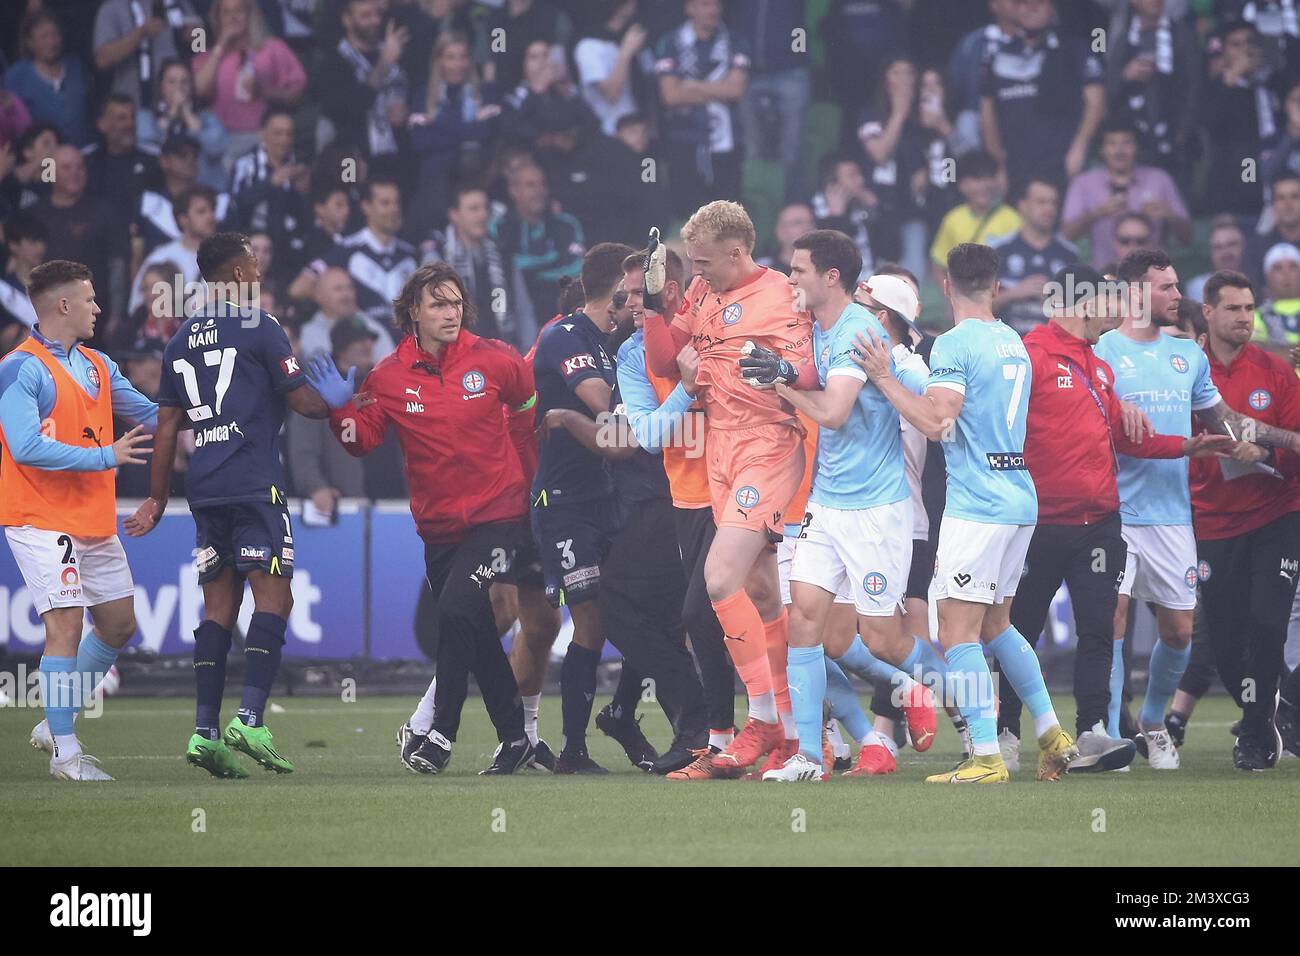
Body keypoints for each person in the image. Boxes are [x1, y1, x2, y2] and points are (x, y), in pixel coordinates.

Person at [853, 242, 1079, 784]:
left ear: (947, 287)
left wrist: (884, 377)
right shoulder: (1014, 341)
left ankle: (985, 756)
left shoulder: (954, 343)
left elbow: (937, 420)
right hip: (1019, 495)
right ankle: (1051, 732)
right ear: (997, 287)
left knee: (957, 637)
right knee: (998, 625)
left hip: (977, 505)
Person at [1000, 263, 1231, 775]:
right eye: (1110, 300)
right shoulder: (1030, 355)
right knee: (1022, 628)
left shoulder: (1098, 366)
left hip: (1101, 520)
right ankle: (1007, 730)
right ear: (1084, 303)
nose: (1120, 309)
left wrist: (1184, 445)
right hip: (1040, 521)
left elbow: (1126, 439)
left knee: (1099, 630)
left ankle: (1092, 732)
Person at [124, 232, 333, 778]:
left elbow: (166, 425)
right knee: (275, 598)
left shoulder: (179, 340)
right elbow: (303, 400)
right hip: (254, 482)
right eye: (254, 262)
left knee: (217, 608)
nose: (259, 269)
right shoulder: (261, 327)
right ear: (238, 274)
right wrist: (338, 400)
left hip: (207, 489)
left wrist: (155, 498)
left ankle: (205, 731)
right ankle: (250, 717)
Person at [318, 261, 539, 774]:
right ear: (413, 312)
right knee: (476, 624)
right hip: (439, 528)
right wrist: (339, 411)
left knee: (460, 607)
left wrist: (531, 492)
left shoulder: (499, 361)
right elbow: (362, 442)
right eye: (438, 303)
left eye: (456, 302)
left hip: (501, 516)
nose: (450, 312)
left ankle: (440, 732)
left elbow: (527, 417)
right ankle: (514, 739)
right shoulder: (388, 377)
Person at [1095, 249, 1300, 767]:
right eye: (1165, 287)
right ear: (1135, 292)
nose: (1176, 296)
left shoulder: (1186, 357)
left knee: (1182, 633)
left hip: (1175, 513)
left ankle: (1156, 719)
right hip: (1114, 510)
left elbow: (1227, 419)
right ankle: (1112, 730)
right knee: (1112, 619)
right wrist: (1117, 406)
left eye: (1177, 285)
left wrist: (1287, 440)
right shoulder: (1099, 352)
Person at [642, 200, 818, 777]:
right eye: (693, 264)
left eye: (706, 263)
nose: (698, 274)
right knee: (764, 596)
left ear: (738, 252)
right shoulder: (700, 291)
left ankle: (762, 718)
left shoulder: (782, 297)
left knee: (720, 581)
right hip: (720, 446)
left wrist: (781, 370)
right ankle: (794, 736)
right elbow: (667, 360)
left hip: (766, 445)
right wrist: (652, 308)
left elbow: (809, 373)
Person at [763, 233, 942, 782]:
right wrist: (784, 373)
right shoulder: (819, 329)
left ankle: (957, 694)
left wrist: (782, 388)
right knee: (813, 629)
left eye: (799, 271)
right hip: (827, 504)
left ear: (832, 276)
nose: (791, 279)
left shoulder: (859, 331)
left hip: (877, 509)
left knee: (882, 637)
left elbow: (836, 413)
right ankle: (809, 759)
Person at [1, 260, 157, 780]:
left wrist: (218, 416)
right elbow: (24, 447)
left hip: (91, 515)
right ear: (62, 305)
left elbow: (151, 413)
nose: (98, 308)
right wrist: (105, 457)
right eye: (90, 300)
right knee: (65, 625)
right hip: (39, 516)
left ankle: (53, 721)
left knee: (117, 624)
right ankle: (66, 754)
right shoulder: (18, 368)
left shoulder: (97, 364)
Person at [528, 242, 638, 773]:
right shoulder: (564, 336)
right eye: (633, 289)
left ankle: (621, 714)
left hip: (609, 496)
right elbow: (606, 404)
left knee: (645, 611)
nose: (639, 300)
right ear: (616, 286)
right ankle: (572, 749)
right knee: (590, 621)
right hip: (565, 502)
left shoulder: (618, 340)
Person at [1190, 270, 1300, 769]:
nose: (1245, 318)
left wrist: (1267, 451)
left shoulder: (1276, 371)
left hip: (1277, 511)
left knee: (1267, 621)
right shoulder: (1187, 367)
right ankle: (1264, 707)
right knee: (1228, 640)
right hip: (1212, 519)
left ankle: (1256, 734)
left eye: (1250, 308)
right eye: (1233, 308)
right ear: (1208, 312)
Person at [979, 0, 1105, 188]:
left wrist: (1079, 148)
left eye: (1040, 2)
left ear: (1052, 8)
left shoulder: (1074, 48)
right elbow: (987, 116)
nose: (1031, 7)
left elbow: (1097, 103)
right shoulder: (995, 55)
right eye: (1023, 3)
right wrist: (998, 164)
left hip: (1063, 165)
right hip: (1016, 169)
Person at [653, 0, 750, 218]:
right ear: (690, 8)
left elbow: (735, 90)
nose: (713, 10)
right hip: (683, 140)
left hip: (726, 144)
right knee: (688, 217)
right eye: (706, 4)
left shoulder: (736, 41)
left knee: (727, 218)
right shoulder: (670, 42)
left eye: (717, 5)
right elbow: (671, 95)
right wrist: (718, 90)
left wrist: (692, 85)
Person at [1061, 118, 1191, 270]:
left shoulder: (1159, 179)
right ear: (1102, 149)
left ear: (1137, 147)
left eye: (1126, 143)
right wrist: (1096, 214)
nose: (1119, 150)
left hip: (1152, 277)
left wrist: (1170, 215)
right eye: (1112, 143)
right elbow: (1066, 235)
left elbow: (1187, 239)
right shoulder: (1084, 183)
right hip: (1106, 278)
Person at [191, 0, 307, 167]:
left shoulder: (272, 48)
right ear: (218, 18)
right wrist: (222, 45)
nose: (233, 18)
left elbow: (298, 94)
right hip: (220, 140)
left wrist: (265, 92)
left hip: (261, 137)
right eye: (227, 12)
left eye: (239, 11)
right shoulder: (207, 55)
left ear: (250, 14)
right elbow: (199, 91)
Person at [321, 178, 418, 336]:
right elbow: (303, 287)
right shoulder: (345, 250)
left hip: (407, 346)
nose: (394, 209)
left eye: (396, 203)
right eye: (385, 203)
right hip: (363, 343)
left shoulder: (411, 254)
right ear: (366, 207)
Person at [423, 184, 517, 346]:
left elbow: (523, 310)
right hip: (454, 354)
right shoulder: (437, 259)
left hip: (502, 350)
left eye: (485, 208)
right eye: (474, 209)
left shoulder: (502, 255)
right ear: (454, 215)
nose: (482, 215)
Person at [316, 0, 411, 160]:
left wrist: (406, 111)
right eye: (366, 16)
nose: (375, 20)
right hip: (350, 156)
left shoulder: (393, 50)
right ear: (347, 20)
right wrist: (384, 64)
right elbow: (346, 110)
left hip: (395, 153)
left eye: (377, 14)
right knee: (346, 182)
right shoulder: (333, 61)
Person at [990, 177, 1079, 335]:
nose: (1049, 209)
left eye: (1053, 203)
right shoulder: (998, 250)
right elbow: (980, 306)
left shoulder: (1070, 255)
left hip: (1054, 347)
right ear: (1022, 205)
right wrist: (1015, 292)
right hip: (1006, 343)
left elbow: (1082, 315)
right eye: (1041, 202)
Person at [929, 150, 1020, 289]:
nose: (985, 185)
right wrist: (950, 299)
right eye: (977, 179)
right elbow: (938, 265)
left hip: (1002, 301)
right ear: (962, 185)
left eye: (989, 178)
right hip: (964, 302)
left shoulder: (1012, 218)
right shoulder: (953, 219)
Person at [4, 11, 93, 147]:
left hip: (82, 155)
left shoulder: (76, 67)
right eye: (44, 37)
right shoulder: (17, 76)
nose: (51, 42)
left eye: (55, 35)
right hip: (45, 161)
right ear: (30, 42)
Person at [137, 58, 228, 191]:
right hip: (161, 189)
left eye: (184, 82)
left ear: (191, 87)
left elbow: (217, 148)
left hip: (205, 190)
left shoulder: (205, 117)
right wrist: (171, 116)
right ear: (161, 87)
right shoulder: (146, 116)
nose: (178, 88)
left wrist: (188, 116)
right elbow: (147, 150)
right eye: (172, 82)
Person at [92, 0, 201, 108]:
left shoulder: (181, 4)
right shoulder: (113, 7)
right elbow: (102, 59)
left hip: (177, 102)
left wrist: (196, 35)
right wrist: (140, 33)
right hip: (132, 105)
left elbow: (203, 48)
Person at [298, 267, 395, 361]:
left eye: (350, 288)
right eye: (338, 289)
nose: (346, 294)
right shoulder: (307, 334)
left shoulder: (372, 328)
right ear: (319, 296)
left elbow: (389, 367)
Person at [1187, 218, 1246, 302]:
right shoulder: (1198, 288)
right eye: (1218, 247)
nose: (1225, 252)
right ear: (1210, 253)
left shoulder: (1261, 284)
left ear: (1244, 246)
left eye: (1232, 244)